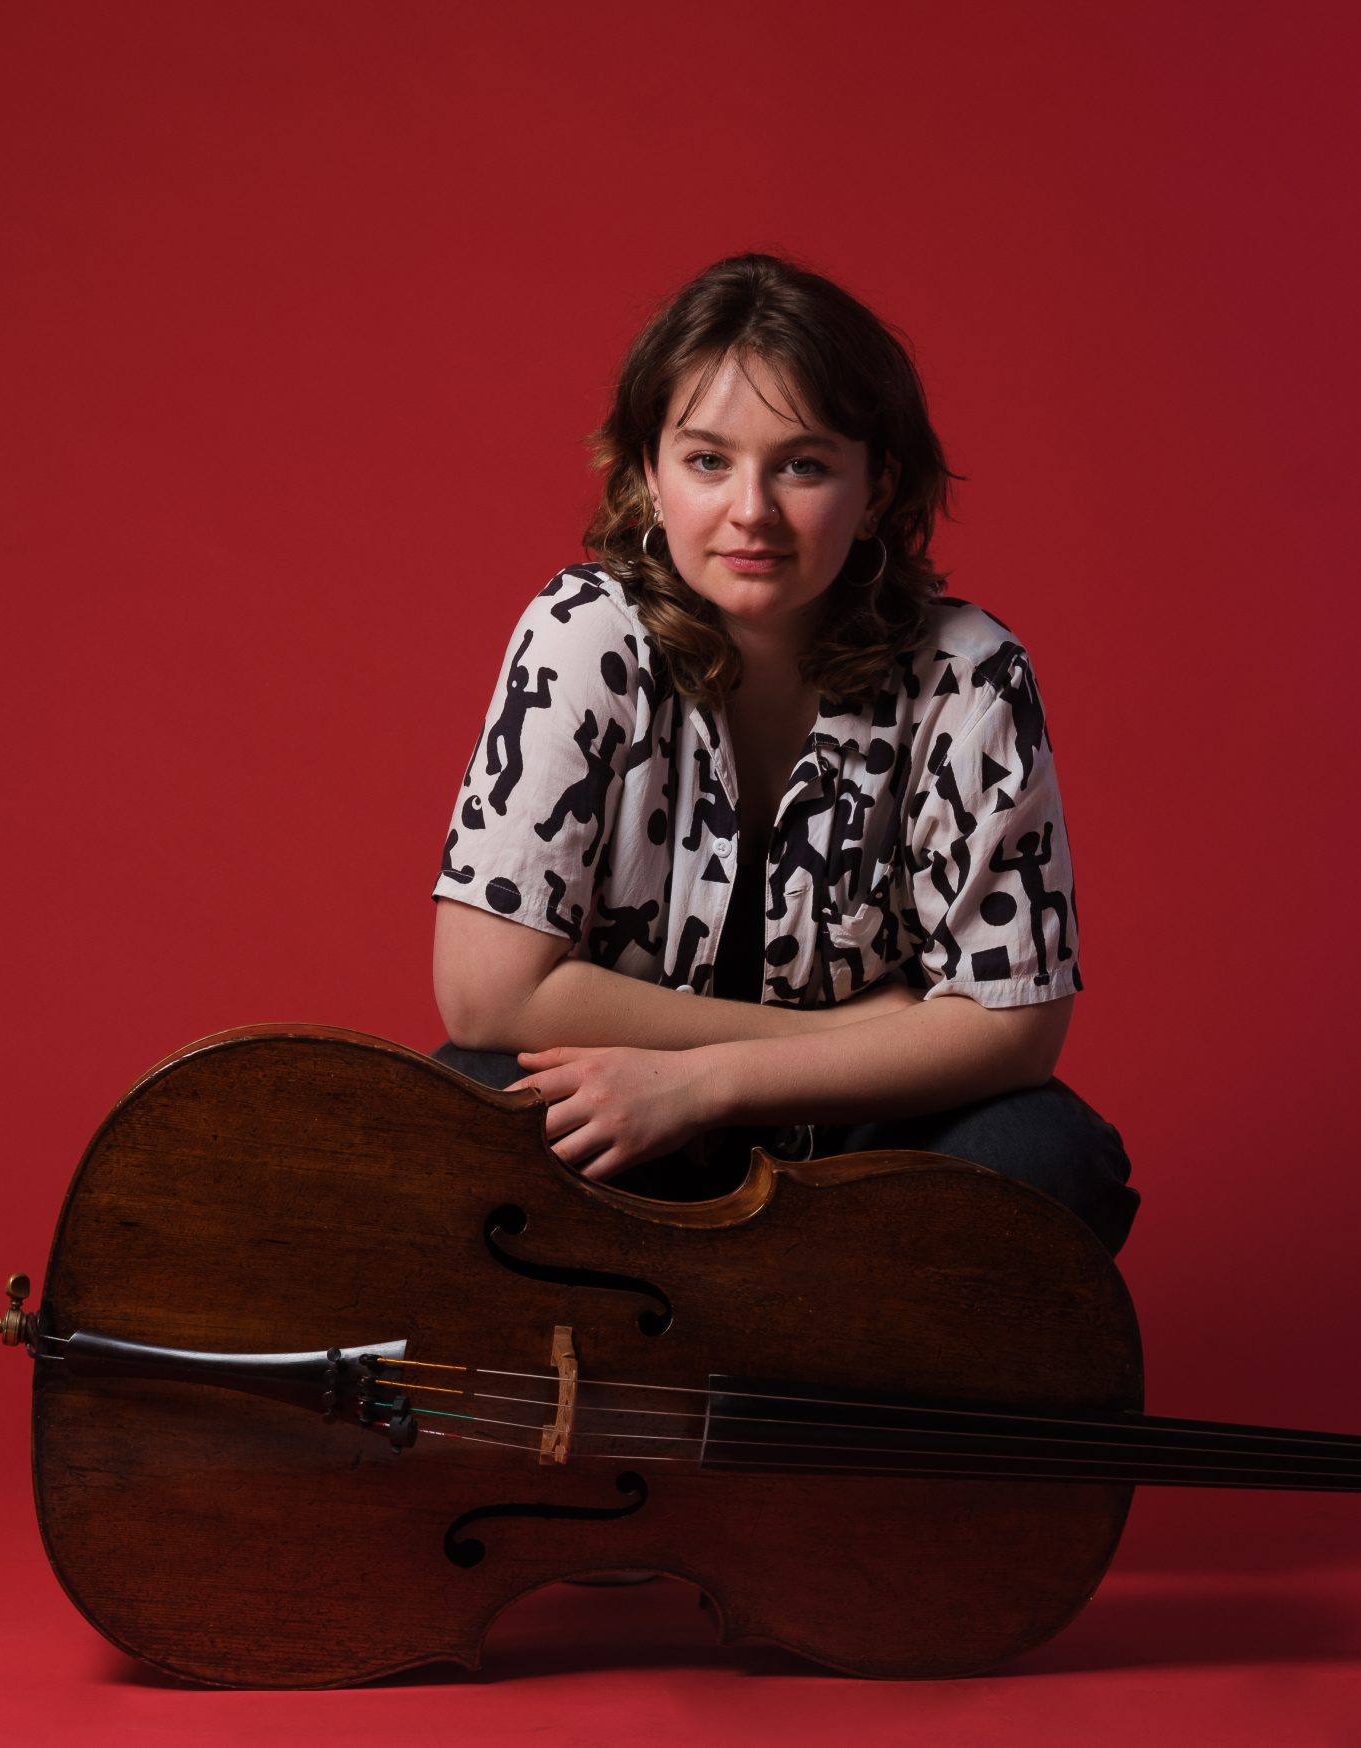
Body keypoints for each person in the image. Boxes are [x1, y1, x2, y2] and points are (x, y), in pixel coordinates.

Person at [430, 253, 1137, 1256]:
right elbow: (486, 993)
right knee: (473, 1107)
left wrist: (708, 1081)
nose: (751, 510)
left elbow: (1015, 1027)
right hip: (625, 1111)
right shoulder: (580, 634)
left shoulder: (968, 673)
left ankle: (821, 1343)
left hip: (859, 1130)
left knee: (1046, 1156)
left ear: (877, 485)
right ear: (649, 472)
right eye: (707, 461)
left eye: (802, 464)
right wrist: (853, 1027)